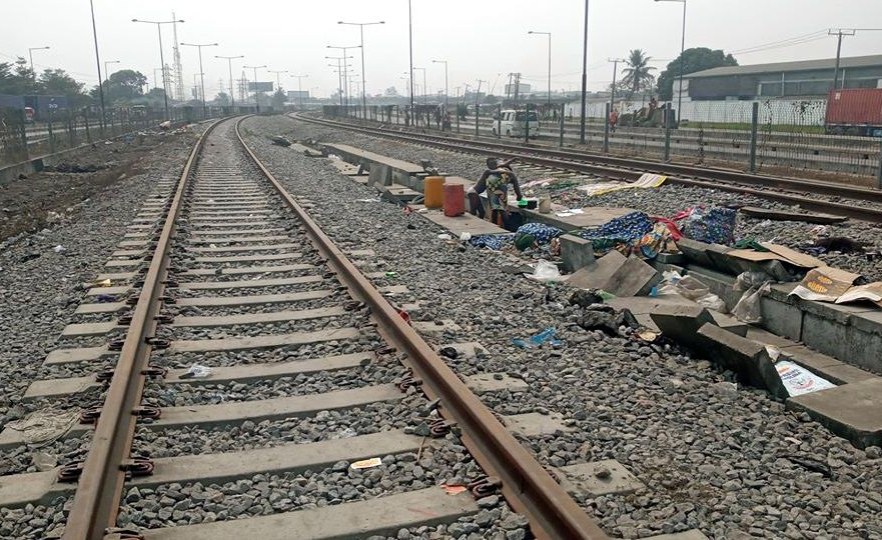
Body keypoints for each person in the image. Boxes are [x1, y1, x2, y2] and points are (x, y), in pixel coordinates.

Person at [467, 157, 523, 226]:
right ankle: (475, 225)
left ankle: (489, 225)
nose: (495, 166)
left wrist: (513, 160)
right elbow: (515, 185)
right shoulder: (488, 171)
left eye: (495, 164)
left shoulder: (493, 169)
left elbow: (504, 165)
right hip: (473, 193)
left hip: (475, 192)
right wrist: (509, 173)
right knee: (477, 212)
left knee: (490, 210)